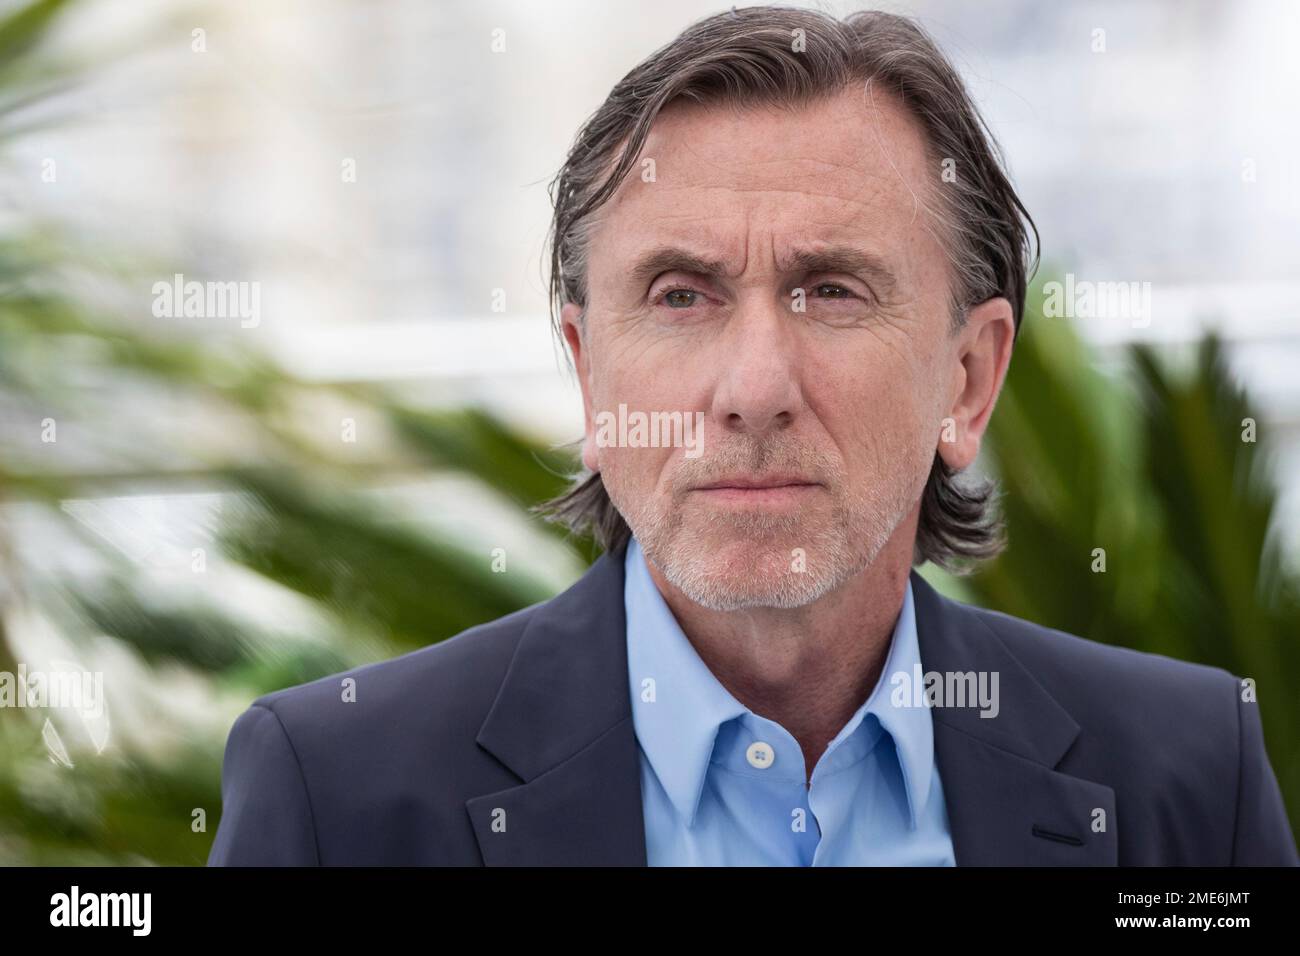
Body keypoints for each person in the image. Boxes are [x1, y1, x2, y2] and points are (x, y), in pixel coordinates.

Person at [208, 6, 1298, 866]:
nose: (753, 387)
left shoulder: (1185, 777)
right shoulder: (338, 796)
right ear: (589, 375)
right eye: (681, 295)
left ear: (967, 381)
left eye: (831, 290)